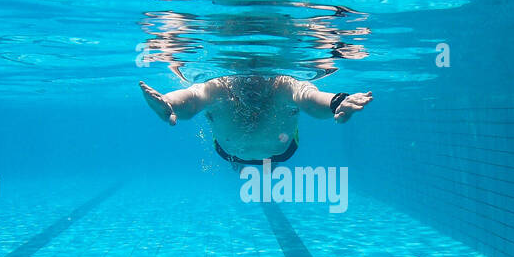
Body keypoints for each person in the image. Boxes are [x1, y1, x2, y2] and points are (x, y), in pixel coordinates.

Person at [138, 75, 372, 166]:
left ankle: (262, 166)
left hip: (281, 152)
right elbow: (191, 100)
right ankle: (240, 165)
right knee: (238, 168)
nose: (252, 76)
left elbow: (311, 99)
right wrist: (167, 103)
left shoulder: (285, 85)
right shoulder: (217, 87)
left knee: (271, 167)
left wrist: (337, 102)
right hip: (229, 152)